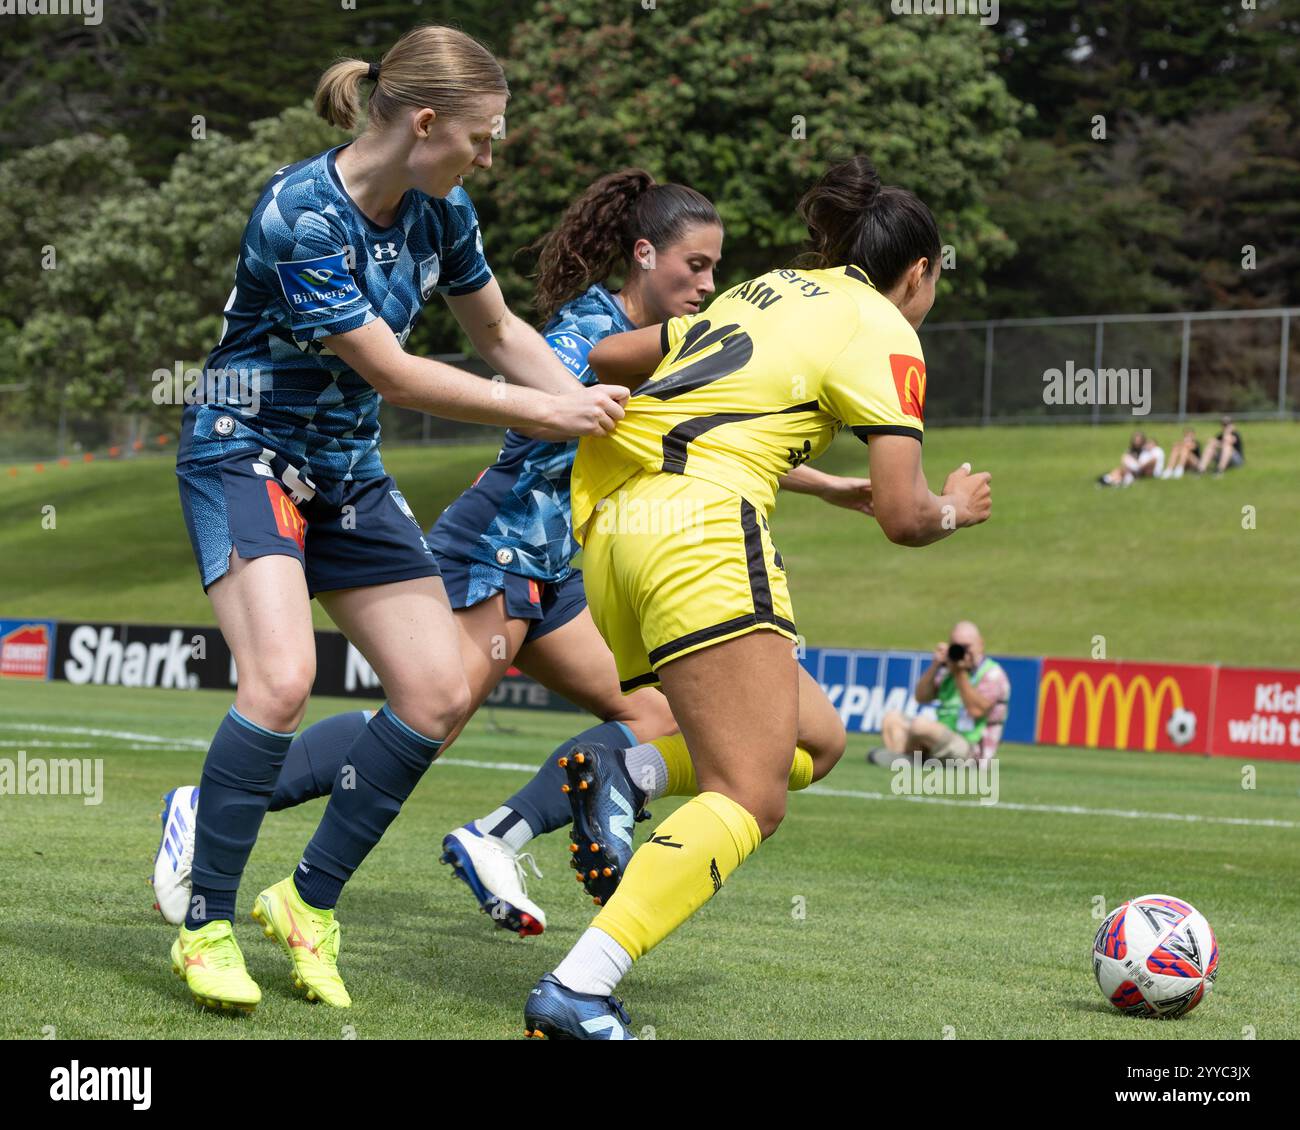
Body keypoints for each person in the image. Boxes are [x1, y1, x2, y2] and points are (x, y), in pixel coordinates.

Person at [153, 171, 875, 938]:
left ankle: (498, 833)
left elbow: (683, 437)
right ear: (643, 255)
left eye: (713, 268)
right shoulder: (589, 334)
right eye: (694, 265)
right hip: (499, 547)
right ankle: (214, 807)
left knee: (650, 711)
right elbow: (533, 411)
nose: (707, 283)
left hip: (557, 569)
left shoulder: (661, 355)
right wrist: (572, 407)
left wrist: (827, 484)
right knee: (427, 716)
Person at [168, 24, 628, 1015]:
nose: (489, 156)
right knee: (282, 679)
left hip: (346, 474)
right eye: (484, 136)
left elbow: (501, 332)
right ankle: (205, 921)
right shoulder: (304, 215)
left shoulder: (442, 208)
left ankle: (306, 903)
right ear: (426, 123)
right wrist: (549, 410)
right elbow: (393, 368)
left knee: (434, 690)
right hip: (244, 451)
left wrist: (597, 426)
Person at [520, 155, 992, 1039]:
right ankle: (580, 987)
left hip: (613, 530)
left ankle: (632, 771)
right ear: (919, 271)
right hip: (698, 527)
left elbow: (609, 353)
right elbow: (902, 515)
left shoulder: (766, 290)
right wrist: (953, 513)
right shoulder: (888, 328)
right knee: (753, 796)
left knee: (819, 737)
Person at [868, 621, 1009, 767]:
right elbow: (921, 697)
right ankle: (908, 758)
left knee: (920, 725)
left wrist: (959, 673)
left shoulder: (992, 673)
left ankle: (906, 758)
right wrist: (935, 665)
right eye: (957, 647)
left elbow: (977, 710)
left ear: (980, 644)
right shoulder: (948, 670)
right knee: (892, 719)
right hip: (941, 739)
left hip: (972, 750)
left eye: (967, 647)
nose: (962, 652)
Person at [1098, 430, 1163, 487]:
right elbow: (1124, 461)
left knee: (1121, 469)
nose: (1137, 442)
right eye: (1136, 440)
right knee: (1119, 469)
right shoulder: (1130, 451)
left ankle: (1108, 479)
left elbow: (1143, 464)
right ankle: (1112, 480)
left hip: (1138, 471)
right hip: (1131, 469)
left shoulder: (1146, 451)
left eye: (1139, 440)